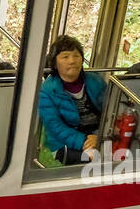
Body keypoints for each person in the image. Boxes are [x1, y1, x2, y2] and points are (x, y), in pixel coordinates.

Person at [39, 35, 107, 165]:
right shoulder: (46, 91)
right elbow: (56, 127)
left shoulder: (96, 81)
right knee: (97, 159)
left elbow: (109, 111)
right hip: (64, 142)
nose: (72, 61)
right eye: (65, 57)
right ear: (54, 63)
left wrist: (99, 136)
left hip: (96, 135)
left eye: (76, 55)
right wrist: (85, 141)